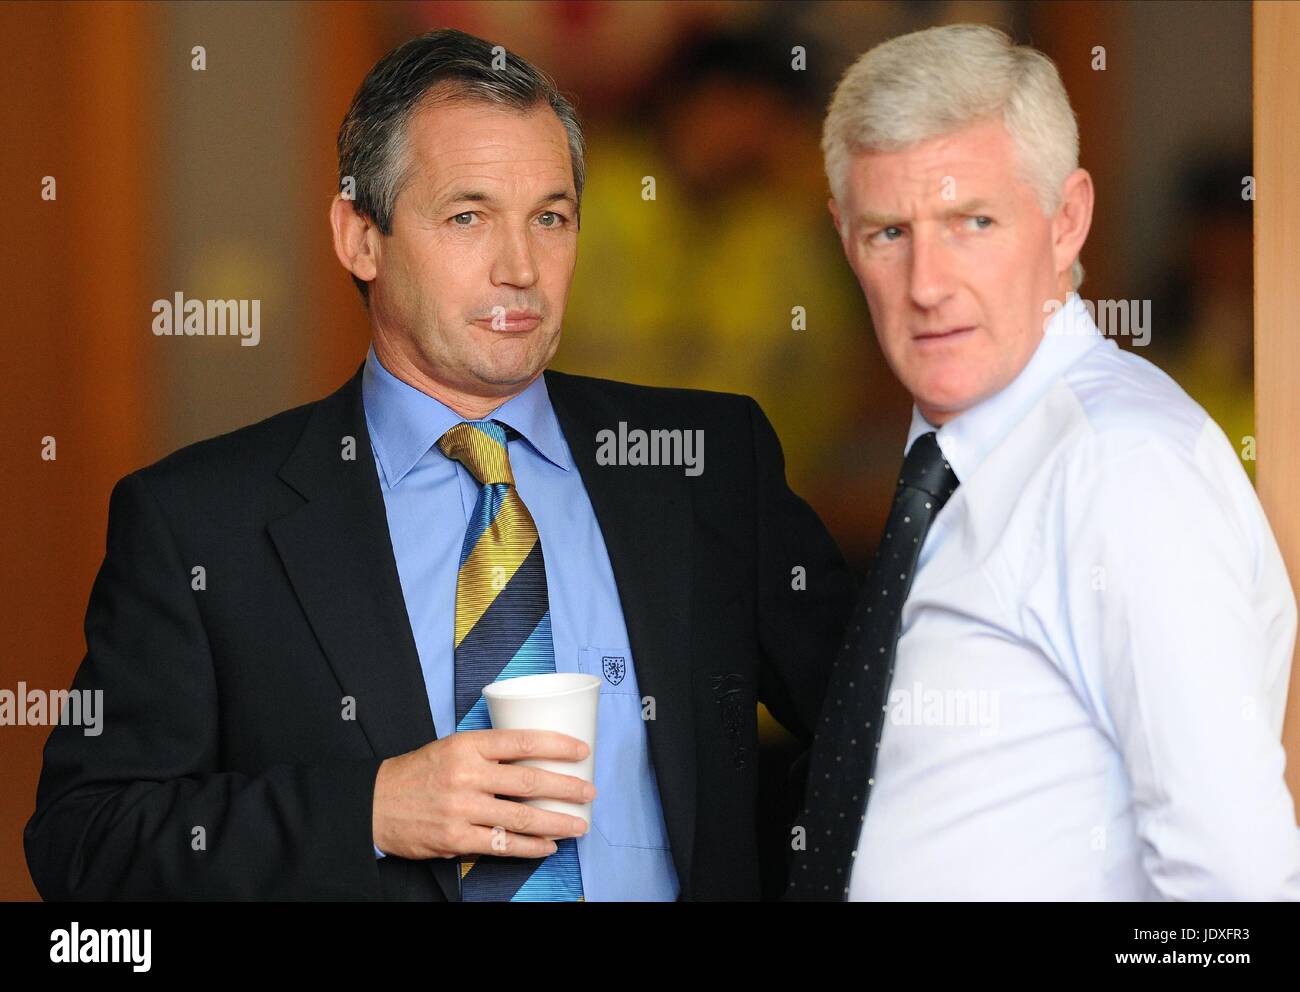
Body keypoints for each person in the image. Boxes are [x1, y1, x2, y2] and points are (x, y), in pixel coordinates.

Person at [25, 28, 854, 902]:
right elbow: (88, 842)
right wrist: (374, 810)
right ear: (360, 238)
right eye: (467, 216)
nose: (521, 268)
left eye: (551, 216)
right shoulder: (199, 523)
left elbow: (880, 735)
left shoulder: (707, 466)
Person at [787, 23, 1300, 901]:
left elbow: (1236, 891)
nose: (927, 284)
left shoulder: (1122, 467)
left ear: (1068, 221)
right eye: (888, 234)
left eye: (971, 222)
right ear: (843, 236)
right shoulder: (956, 461)